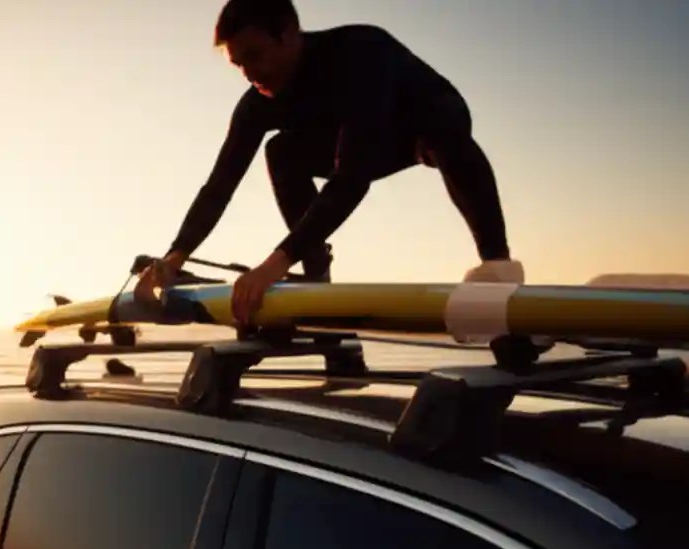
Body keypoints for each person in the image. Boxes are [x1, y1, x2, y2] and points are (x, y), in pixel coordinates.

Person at [135, 0, 525, 326]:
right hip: (348, 138)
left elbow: (352, 178)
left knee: (445, 131)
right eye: (239, 64)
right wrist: (175, 256)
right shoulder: (257, 102)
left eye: (254, 56)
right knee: (282, 152)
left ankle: (497, 264)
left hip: (420, 121)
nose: (249, 74)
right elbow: (220, 184)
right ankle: (317, 271)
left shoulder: (359, 52)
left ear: (288, 33)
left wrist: (273, 264)